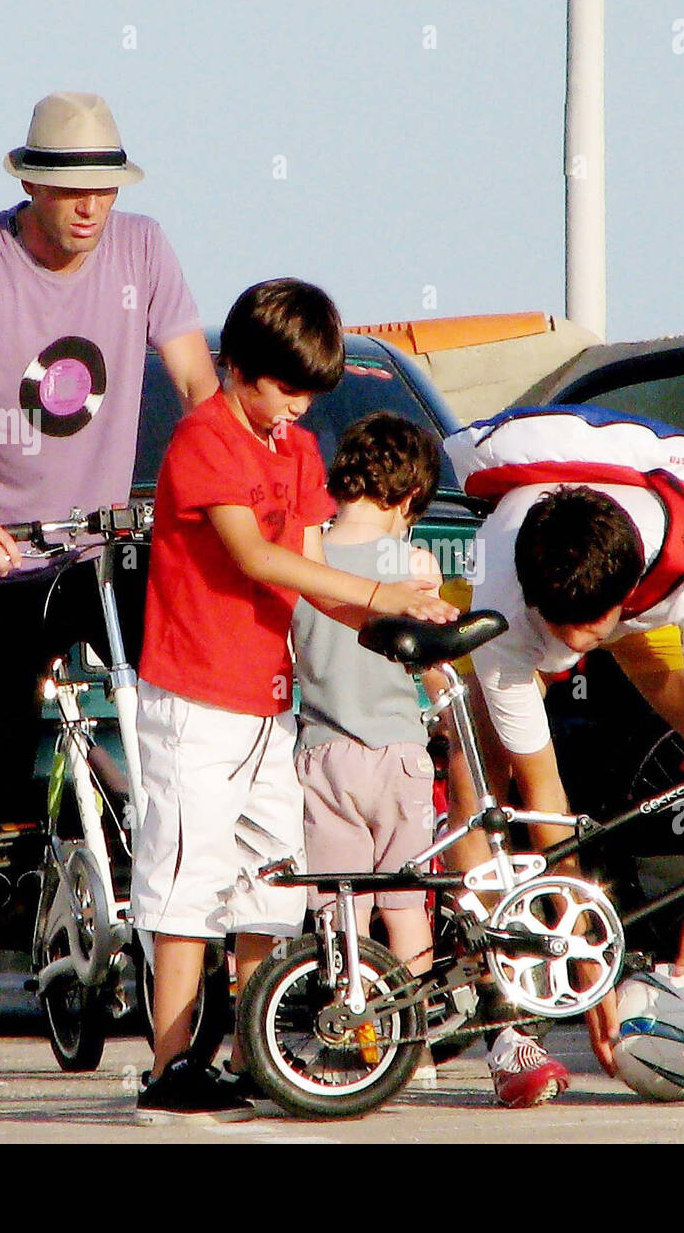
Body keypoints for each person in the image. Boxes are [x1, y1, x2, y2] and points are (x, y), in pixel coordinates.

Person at [0, 92, 218, 1081]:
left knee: (191, 746)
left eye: (103, 189)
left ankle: (195, 1002)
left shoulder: (143, 251)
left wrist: (227, 505)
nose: (88, 208)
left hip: (93, 550)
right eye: (69, 188)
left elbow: (198, 389)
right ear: (28, 181)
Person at [132, 280, 457, 1123]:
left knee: (271, 881)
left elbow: (317, 583)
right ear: (235, 367)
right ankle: (170, 1069)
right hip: (195, 700)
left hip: (270, 707)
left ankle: (248, 1053)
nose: (297, 408)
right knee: (186, 880)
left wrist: (403, 622)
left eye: (311, 393)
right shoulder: (205, 440)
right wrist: (381, 594)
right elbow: (257, 559)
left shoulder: (301, 449)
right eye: (284, 389)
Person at [442, 407, 684, 1105]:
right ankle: (508, 1018)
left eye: (592, 634)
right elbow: (545, 795)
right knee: (476, 770)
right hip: (532, 608)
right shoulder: (505, 593)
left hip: (653, 594)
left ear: (623, 601)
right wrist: (585, 955)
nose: (578, 651)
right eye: (566, 635)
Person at [290, 411, 445, 1086]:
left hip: (323, 754)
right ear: (410, 500)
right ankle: (419, 1047)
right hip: (401, 755)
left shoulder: (308, 554)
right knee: (406, 903)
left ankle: (352, 1038)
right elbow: (432, 660)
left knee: (339, 911)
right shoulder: (410, 563)